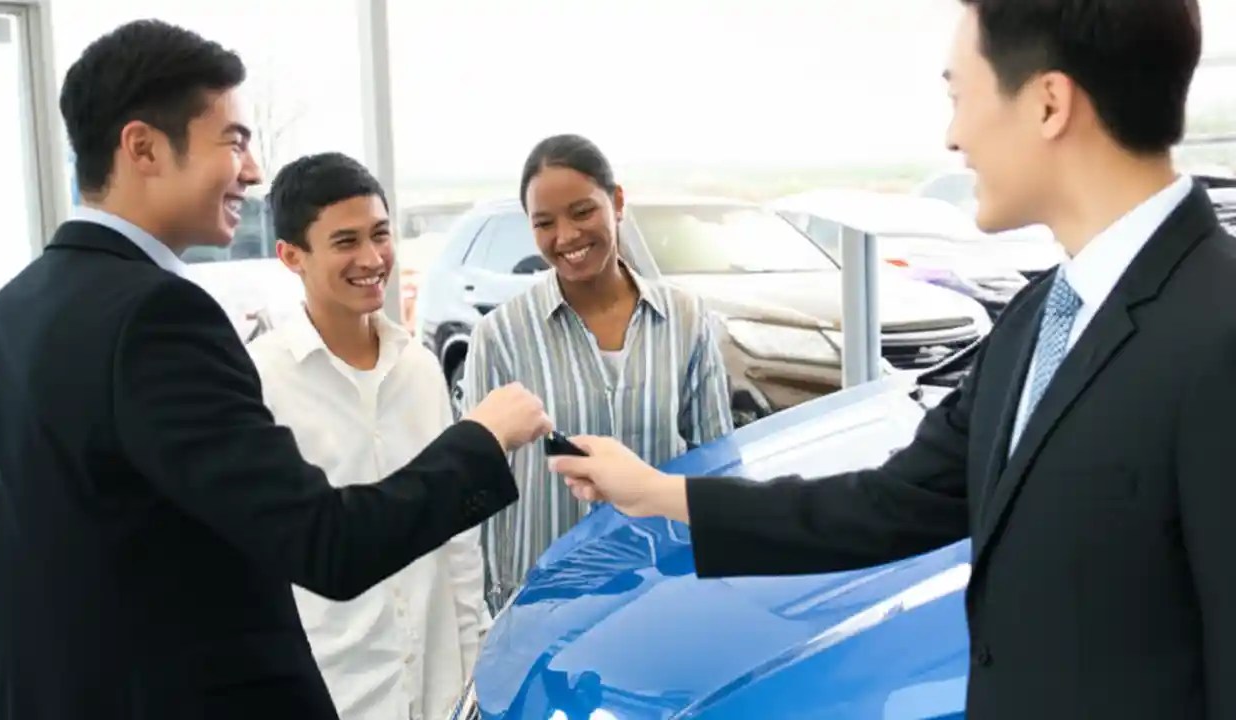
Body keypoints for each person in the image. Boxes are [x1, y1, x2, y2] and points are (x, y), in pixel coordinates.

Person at [551, 1, 1235, 718]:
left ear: (1048, 103)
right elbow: (885, 505)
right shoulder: (1041, 317)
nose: (952, 136)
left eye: (958, 96)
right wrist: (658, 492)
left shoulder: (1218, 333)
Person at [0, 20, 550, 720]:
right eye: (233, 140)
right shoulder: (158, 318)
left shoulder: (4, 316)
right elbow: (326, 543)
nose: (254, 170)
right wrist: (483, 438)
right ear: (142, 147)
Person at [247, 152, 490, 720]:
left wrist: (474, 658)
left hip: (438, 686)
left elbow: (457, 537)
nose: (372, 258)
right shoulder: (260, 380)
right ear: (291, 256)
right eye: (345, 241)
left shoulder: (421, 368)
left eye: (381, 235)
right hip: (331, 689)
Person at [461, 133, 734, 611]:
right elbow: (474, 491)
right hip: (543, 602)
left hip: (662, 592)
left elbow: (717, 469)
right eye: (544, 223)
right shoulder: (499, 336)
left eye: (582, 212)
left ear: (618, 202)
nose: (566, 236)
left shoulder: (687, 320)